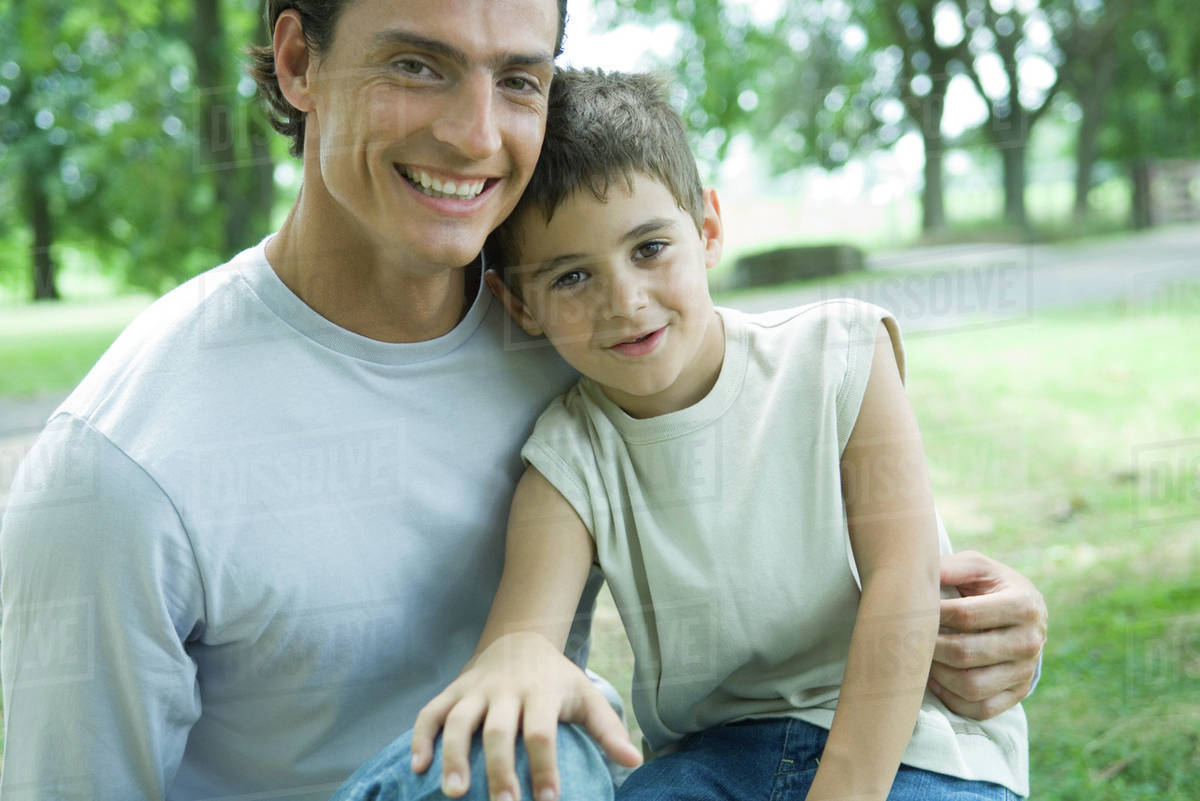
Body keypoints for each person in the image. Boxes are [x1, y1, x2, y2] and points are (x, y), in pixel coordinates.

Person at [0, 1, 1045, 799]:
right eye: (418, 65)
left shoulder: (585, 336)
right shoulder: (121, 469)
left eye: (519, 79)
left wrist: (986, 621)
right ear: (298, 62)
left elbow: (792, 485)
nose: (474, 135)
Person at [401, 69, 1029, 801]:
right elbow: (521, 645)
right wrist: (510, 667)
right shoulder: (570, 457)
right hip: (709, 761)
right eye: (572, 277)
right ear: (520, 302)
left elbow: (903, 582)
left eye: (649, 248)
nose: (625, 302)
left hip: (912, 746)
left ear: (707, 229)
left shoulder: (840, 354)